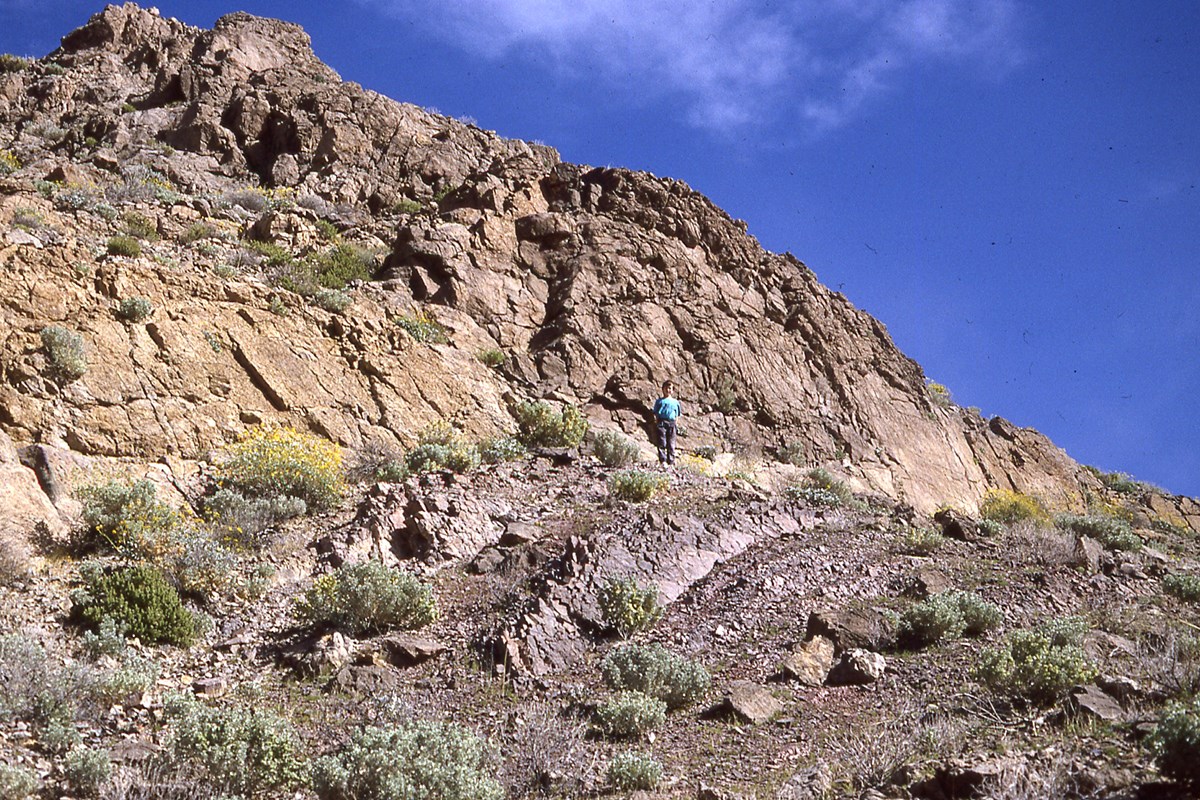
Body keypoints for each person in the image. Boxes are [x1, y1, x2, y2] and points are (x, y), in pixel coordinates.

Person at [652, 380, 681, 465]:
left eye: (670, 388)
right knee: (662, 441)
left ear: (672, 390)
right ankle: (663, 460)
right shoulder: (659, 401)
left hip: (672, 423)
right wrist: (656, 421)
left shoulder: (676, 402)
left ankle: (671, 461)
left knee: (671, 442)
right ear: (663, 389)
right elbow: (655, 412)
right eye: (666, 388)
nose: (668, 390)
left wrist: (676, 422)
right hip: (662, 422)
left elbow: (677, 414)